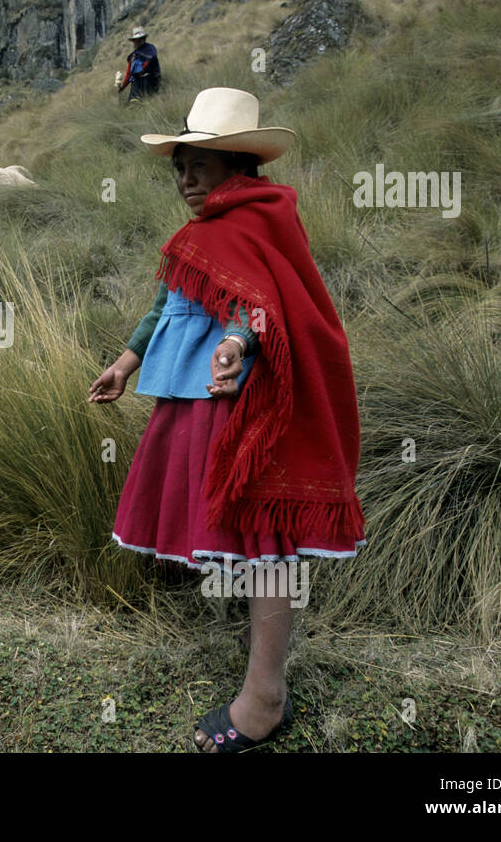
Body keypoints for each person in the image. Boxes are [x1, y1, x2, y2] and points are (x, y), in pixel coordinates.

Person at [87, 87, 366, 753]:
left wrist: (239, 342)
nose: (184, 179)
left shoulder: (262, 220)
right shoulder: (198, 233)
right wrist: (125, 363)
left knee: (264, 535)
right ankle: (260, 654)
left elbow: (264, 304)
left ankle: (264, 696)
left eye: (198, 166)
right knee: (236, 532)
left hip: (245, 403)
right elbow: (163, 307)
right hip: (189, 398)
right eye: (178, 166)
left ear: (237, 164)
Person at [118, 27, 161, 102]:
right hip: (136, 85)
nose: (137, 42)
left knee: (147, 102)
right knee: (132, 105)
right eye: (135, 40)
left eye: (140, 39)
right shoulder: (133, 56)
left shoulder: (150, 49)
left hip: (149, 82)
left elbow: (151, 62)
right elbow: (129, 74)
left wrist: (142, 71)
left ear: (143, 39)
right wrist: (122, 87)